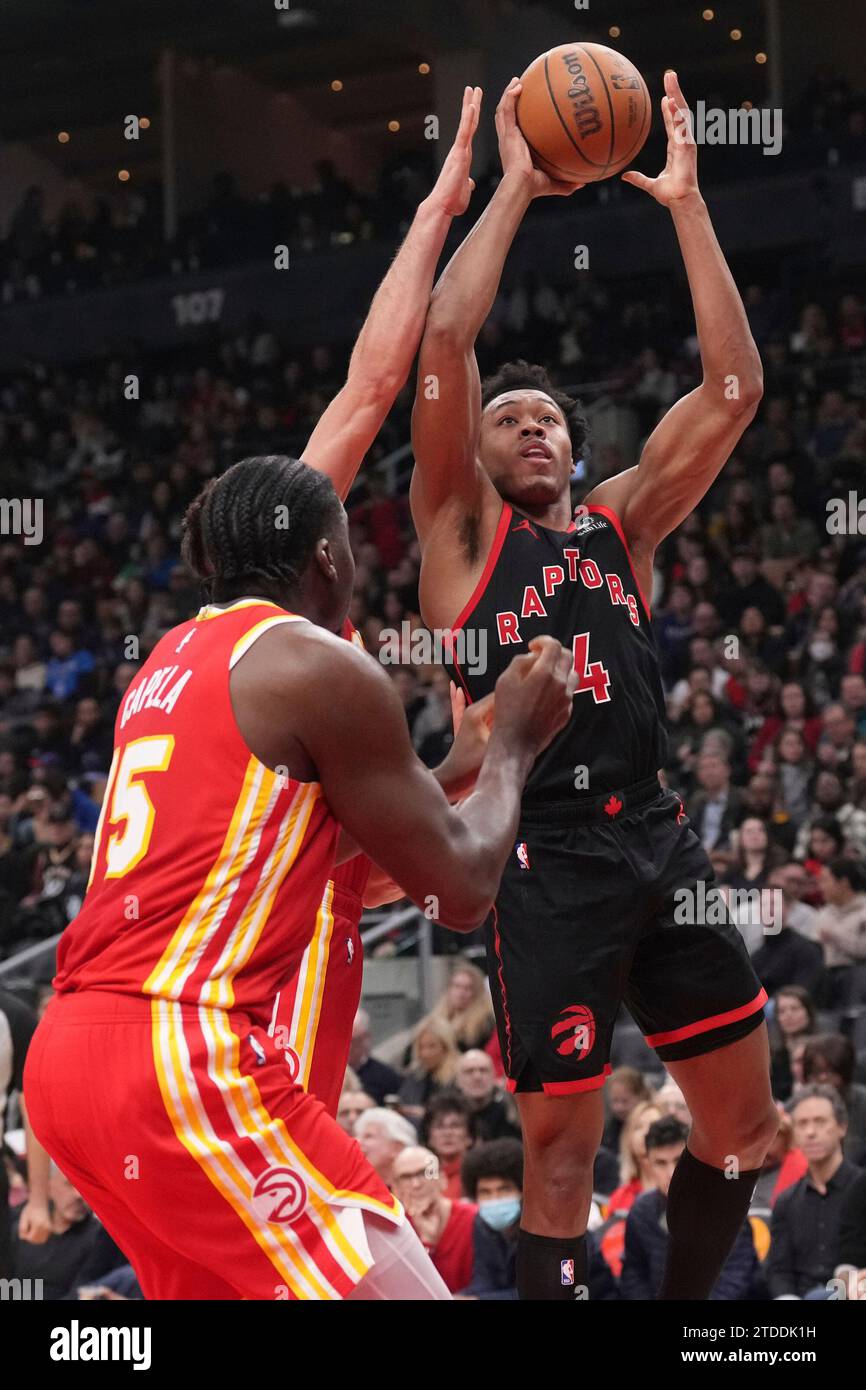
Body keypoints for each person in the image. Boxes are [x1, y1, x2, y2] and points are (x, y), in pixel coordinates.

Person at [23, 451, 575, 1302]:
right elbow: (461, 892)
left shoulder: (168, 660)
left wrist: (457, 765)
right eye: (350, 546)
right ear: (327, 556)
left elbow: (281, 850)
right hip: (177, 1052)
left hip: (67, 1062)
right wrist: (515, 746)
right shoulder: (318, 663)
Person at [410, 71, 775, 1301]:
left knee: (741, 1128)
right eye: (504, 418)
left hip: (655, 833)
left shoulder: (620, 524)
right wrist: (514, 179)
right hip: (542, 852)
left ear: (573, 446)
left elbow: (732, 396)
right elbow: (446, 339)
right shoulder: (459, 537)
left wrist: (681, 204)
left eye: (545, 420)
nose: (524, 428)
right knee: (558, 1162)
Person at [267, 88, 489, 1121]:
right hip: (261, 1042)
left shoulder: (262, 643)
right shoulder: (296, 645)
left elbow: (377, 864)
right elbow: (366, 387)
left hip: (248, 1003)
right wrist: (492, 751)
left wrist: (469, 752)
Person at [620, 1117, 762, 1301]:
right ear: (648, 1165)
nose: (671, 1173)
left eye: (678, 1160)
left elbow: (737, 1278)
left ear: (694, 1159)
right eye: (661, 1163)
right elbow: (633, 1276)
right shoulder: (641, 1212)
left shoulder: (727, 1207)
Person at [767, 1085, 862, 1299]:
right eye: (802, 1124)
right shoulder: (786, 1200)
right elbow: (779, 1269)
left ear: (842, 1127)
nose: (810, 1132)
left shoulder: (861, 1190)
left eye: (820, 1122)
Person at [391, 1145, 477, 1293]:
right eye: (406, 1177)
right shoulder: (393, 1228)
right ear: (395, 1189)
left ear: (442, 1178)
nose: (416, 1185)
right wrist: (427, 1244)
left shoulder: (474, 1219)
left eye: (424, 1173)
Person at [459, 1137, 524, 1299]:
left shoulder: (546, 1228)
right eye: (485, 1192)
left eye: (504, 1190)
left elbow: (544, 1292)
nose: (495, 1199)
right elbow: (484, 1280)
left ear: (523, 1190)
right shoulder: (482, 1225)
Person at [801, 1035, 866, 1164]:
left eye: (830, 1071)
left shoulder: (863, 1102)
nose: (823, 1078)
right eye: (816, 1072)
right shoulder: (797, 1106)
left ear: (845, 1072)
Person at [815, 858, 866, 1008]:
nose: (821, 887)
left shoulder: (863, 911)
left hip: (858, 979)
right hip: (827, 979)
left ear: (843, 882)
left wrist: (834, 937)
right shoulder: (823, 913)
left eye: (825, 880)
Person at [424, 959, 496, 1053]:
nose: (461, 993)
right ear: (449, 988)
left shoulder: (485, 1023)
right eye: (457, 986)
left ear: (477, 992)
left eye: (468, 988)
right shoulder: (436, 1017)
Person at [398, 1017, 461, 1121]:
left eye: (432, 1046)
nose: (425, 1053)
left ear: (446, 1046)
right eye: (421, 1047)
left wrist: (427, 1115)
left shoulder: (460, 1077)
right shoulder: (414, 1076)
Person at [454, 1048, 521, 1142]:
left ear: (494, 1076)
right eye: (469, 1071)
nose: (477, 1077)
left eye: (483, 1070)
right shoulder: (448, 1112)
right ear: (458, 1080)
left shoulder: (510, 1111)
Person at [424, 1092, 477, 1200]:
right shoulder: (423, 1177)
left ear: (470, 1137)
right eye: (439, 1126)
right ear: (430, 1138)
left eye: (455, 1126)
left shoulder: (477, 1176)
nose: (447, 1133)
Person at [347, 1008, 404, 1107]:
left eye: (353, 1041)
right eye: (343, 1041)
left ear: (366, 1038)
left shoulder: (387, 1076)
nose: (348, 1047)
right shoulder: (329, 1073)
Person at [769, 986, 817, 1101]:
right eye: (782, 1011)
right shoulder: (771, 1055)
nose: (788, 1015)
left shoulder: (822, 1050)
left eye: (794, 1009)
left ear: (808, 1012)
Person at [354, 1108, 417, 1190]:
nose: (356, 1141)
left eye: (368, 1136)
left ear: (397, 1148)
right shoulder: (352, 1190)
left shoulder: (417, 1188)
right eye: (357, 1136)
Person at [601, 1066, 654, 1154]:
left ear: (641, 1096)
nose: (619, 1107)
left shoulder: (652, 1123)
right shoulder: (609, 1127)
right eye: (615, 1100)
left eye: (624, 1101)